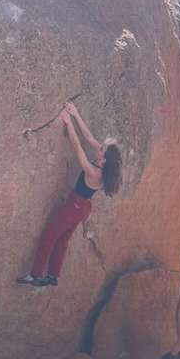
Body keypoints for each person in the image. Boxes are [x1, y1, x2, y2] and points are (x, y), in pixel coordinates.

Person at [17, 101, 122, 287]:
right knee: (63, 240)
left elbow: (78, 147)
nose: (98, 148)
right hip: (83, 208)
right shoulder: (104, 165)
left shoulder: (95, 172)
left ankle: (35, 275)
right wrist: (75, 113)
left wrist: (68, 123)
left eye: (102, 150)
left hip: (75, 206)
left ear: (103, 158)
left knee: (50, 235)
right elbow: (88, 137)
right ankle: (53, 276)